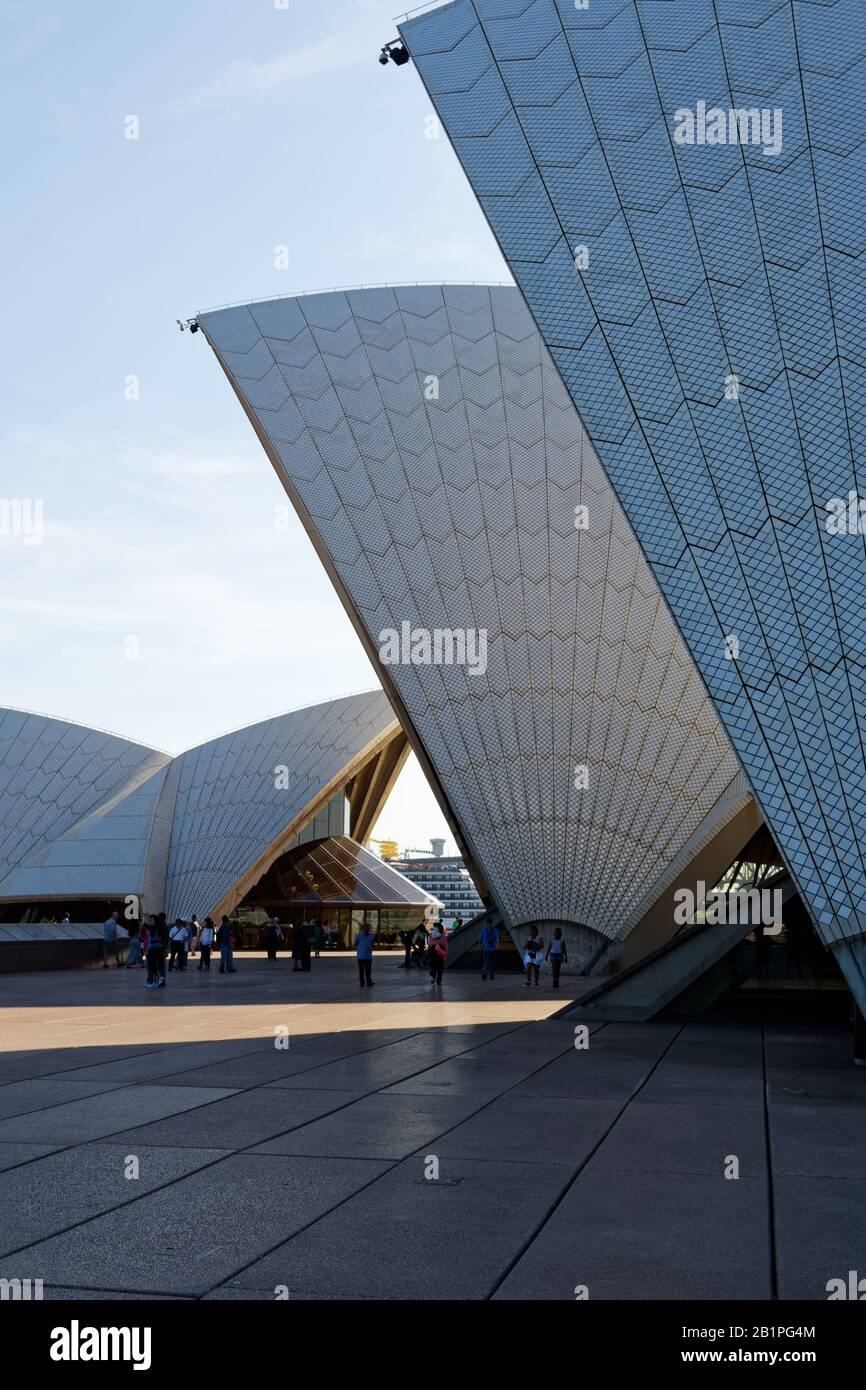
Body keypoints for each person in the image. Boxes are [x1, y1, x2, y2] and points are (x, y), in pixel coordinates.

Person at [145, 914, 168, 989]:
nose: (150, 921)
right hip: (159, 949)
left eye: (152, 920)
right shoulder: (162, 928)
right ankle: (160, 982)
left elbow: (145, 925)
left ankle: (154, 982)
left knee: (153, 966)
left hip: (153, 950)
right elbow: (165, 939)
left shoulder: (153, 928)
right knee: (160, 966)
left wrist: (147, 918)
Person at [430, 921, 448, 987]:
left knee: (439, 969)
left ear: (439, 928)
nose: (434, 929)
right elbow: (430, 944)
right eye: (433, 927)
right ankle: (434, 977)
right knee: (433, 968)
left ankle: (438, 981)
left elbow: (446, 946)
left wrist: (443, 952)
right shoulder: (431, 935)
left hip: (440, 955)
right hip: (433, 955)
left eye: (435, 928)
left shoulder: (443, 937)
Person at [356, 921, 374, 987]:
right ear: (362, 929)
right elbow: (355, 943)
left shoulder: (371, 936)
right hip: (361, 956)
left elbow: (372, 943)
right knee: (361, 970)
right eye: (365, 928)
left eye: (368, 928)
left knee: (368, 970)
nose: (367, 929)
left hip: (368, 955)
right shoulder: (358, 936)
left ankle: (369, 981)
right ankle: (362, 982)